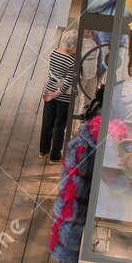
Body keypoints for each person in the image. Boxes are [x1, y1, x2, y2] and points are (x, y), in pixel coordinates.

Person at [39, 25, 79, 162]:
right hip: (64, 98)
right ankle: (55, 155)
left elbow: (52, 74)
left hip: (48, 92)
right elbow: (67, 83)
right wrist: (57, 94)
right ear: (74, 46)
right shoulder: (72, 61)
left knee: (47, 123)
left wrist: (51, 94)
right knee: (59, 126)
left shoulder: (53, 53)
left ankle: (43, 151)